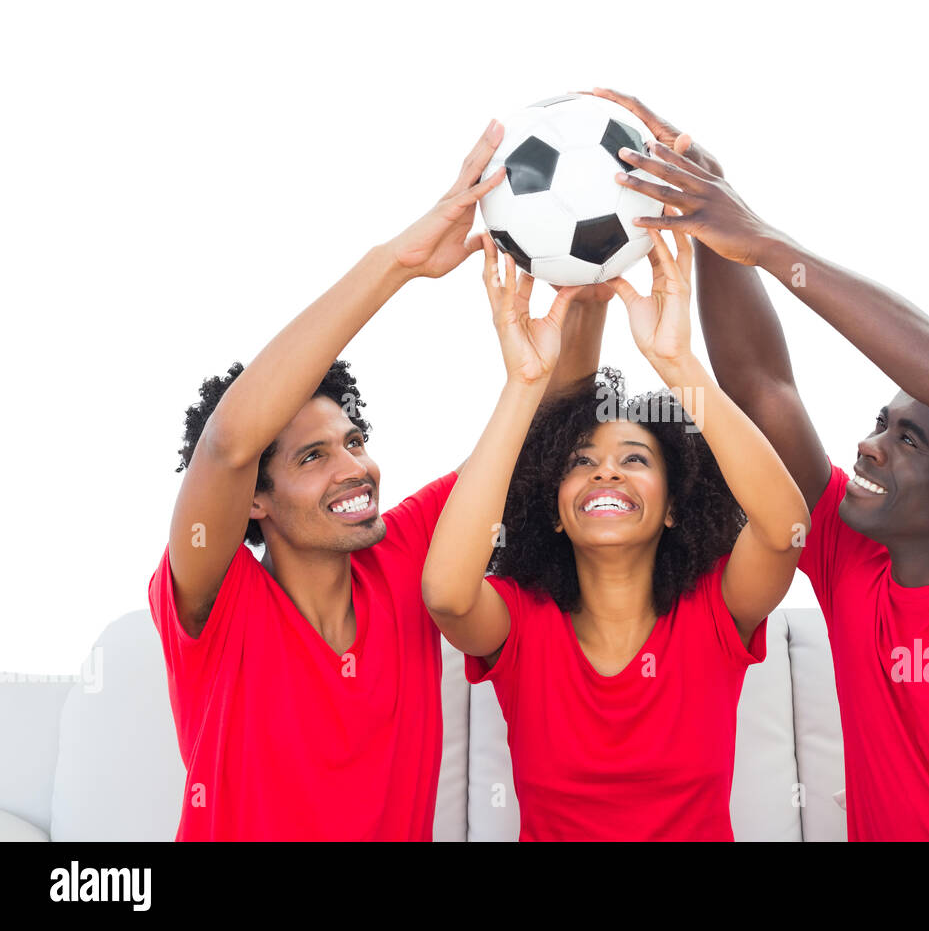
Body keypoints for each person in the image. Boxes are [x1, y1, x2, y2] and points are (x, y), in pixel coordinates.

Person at [595, 87, 929, 841]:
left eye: (910, 440)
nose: (870, 445)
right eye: (880, 423)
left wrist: (767, 243)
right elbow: (762, 387)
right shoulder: (851, 560)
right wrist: (711, 223)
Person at [149, 120, 609, 840]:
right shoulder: (218, 602)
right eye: (312, 457)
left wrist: (589, 296)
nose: (354, 469)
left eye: (354, 442)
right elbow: (228, 448)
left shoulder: (403, 557)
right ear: (256, 501)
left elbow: (544, 436)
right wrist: (397, 262)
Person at [421, 229, 810, 840]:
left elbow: (786, 531)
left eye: (634, 459)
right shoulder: (521, 623)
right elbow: (446, 595)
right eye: (581, 462)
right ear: (555, 511)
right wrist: (523, 385)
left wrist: (677, 362)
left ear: (673, 507)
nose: (606, 472)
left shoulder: (715, 611)